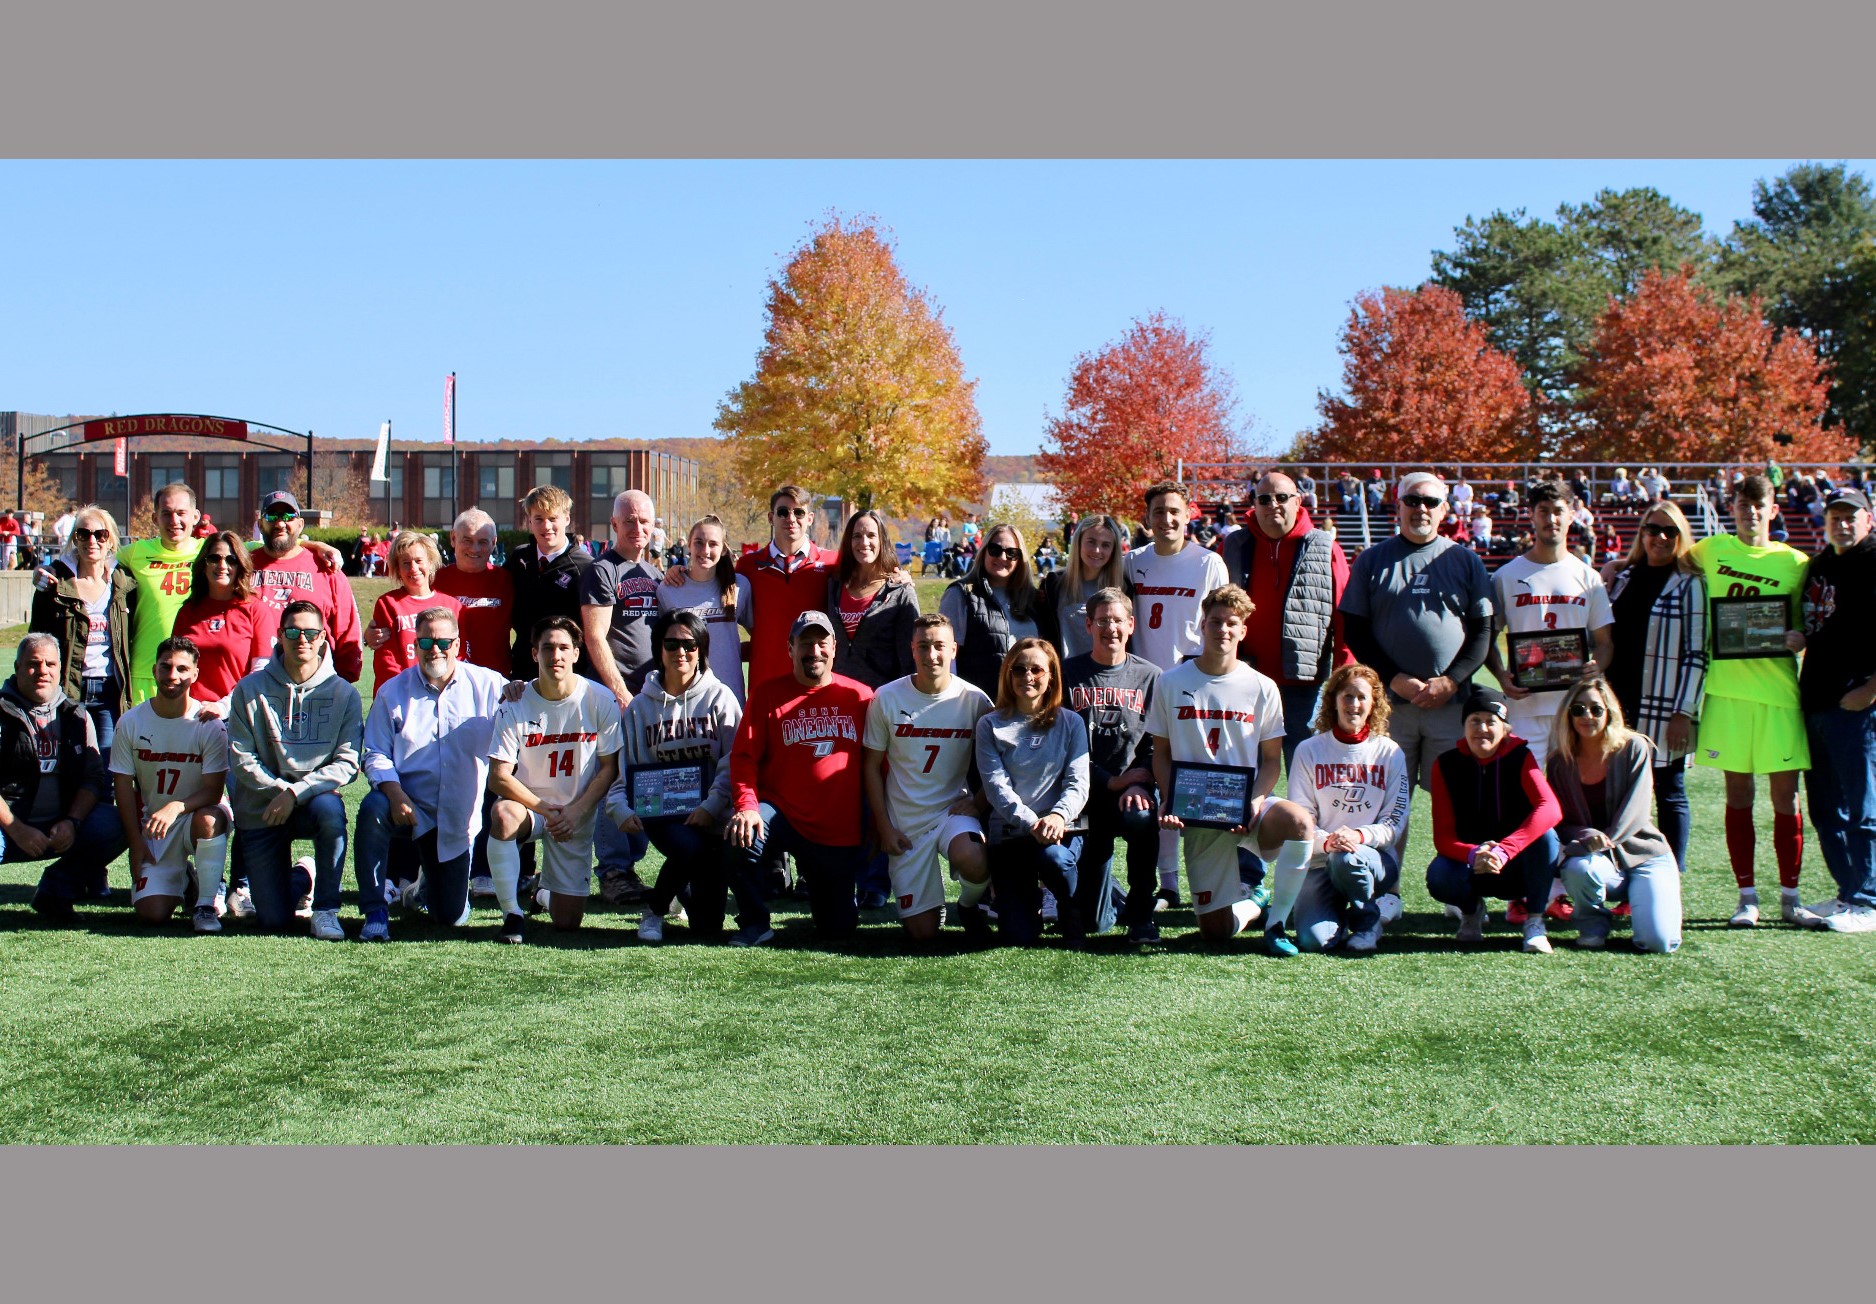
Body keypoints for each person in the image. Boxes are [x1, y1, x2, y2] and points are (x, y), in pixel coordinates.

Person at [1339, 471, 1494, 922]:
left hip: (1452, 707)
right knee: (1387, 804)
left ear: (1445, 509)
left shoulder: (1465, 560)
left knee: (1462, 804)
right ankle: (1386, 892)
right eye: (1412, 499)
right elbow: (1356, 629)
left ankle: (1464, 894)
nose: (1421, 508)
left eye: (1431, 501)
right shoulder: (1373, 560)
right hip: (1393, 707)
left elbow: (1483, 630)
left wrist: (1452, 680)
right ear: (1397, 504)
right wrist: (1394, 677)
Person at [1148, 585, 1317, 954]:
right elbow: (1160, 752)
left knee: (1300, 823)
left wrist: (1256, 800)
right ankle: (1256, 902)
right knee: (1215, 933)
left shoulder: (1262, 686)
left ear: (1243, 630)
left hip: (1248, 808)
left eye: (1231, 623)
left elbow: (1271, 759)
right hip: (1198, 814)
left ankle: (1277, 926)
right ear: (1201, 625)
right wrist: (1169, 798)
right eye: (1215, 622)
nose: (1222, 629)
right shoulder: (1171, 681)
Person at [1687, 474, 1813, 927]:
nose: (1751, 512)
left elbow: (1817, 617)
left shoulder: (1797, 561)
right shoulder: (1711, 550)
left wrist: (1804, 636)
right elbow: (1664, 559)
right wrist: (1614, 565)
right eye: (1743, 504)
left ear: (1774, 510)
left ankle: (1791, 897)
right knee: (1737, 794)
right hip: (1726, 692)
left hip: (1778, 693)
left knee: (1786, 797)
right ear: (1733, 508)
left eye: (1759, 505)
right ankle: (1747, 897)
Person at [355, 606, 510, 942]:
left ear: (457, 644)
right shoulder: (393, 691)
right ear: (415, 644)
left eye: (443, 641)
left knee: (451, 917)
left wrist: (522, 694)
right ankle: (375, 912)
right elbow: (375, 752)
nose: (434, 649)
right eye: (426, 641)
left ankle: (423, 887)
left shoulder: (489, 685)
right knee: (372, 810)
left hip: (456, 818)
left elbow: (525, 712)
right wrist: (395, 795)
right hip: (405, 803)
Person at [726, 610, 875, 946]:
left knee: (837, 929)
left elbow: (878, 764)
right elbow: (743, 757)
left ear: (834, 647)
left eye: (821, 642)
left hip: (835, 828)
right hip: (780, 814)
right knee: (740, 836)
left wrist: (877, 821)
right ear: (790, 648)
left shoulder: (862, 697)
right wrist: (747, 806)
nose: (815, 651)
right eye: (805, 643)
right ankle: (754, 922)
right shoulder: (766, 695)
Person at [223, 600, 363, 938]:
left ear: (322, 639)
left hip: (312, 801)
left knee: (331, 809)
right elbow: (241, 758)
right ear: (279, 637)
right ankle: (303, 876)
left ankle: (326, 910)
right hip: (263, 806)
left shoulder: (344, 694)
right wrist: (279, 791)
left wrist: (296, 793)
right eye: (293, 631)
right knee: (273, 921)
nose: (302, 639)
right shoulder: (248, 690)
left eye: (310, 632)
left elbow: (347, 763)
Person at [604, 609, 743, 943]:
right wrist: (619, 808)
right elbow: (628, 766)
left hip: (714, 812)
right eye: (672, 644)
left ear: (701, 650)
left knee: (708, 928)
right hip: (663, 813)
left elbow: (734, 761)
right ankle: (655, 908)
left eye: (690, 644)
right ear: (659, 649)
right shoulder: (640, 707)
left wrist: (712, 805)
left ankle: (681, 891)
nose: (681, 652)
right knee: (691, 849)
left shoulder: (720, 697)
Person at [485, 616, 624, 943]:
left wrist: (575, 812)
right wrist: (545, 809)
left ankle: (543, 893)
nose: (555, 655)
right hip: (531, 809)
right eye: (547, 648)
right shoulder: (516, 702)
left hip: (576, 814)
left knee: (567, 923)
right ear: (534, 654)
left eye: (564, 648)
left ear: (577, 653)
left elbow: (609, 768)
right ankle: (511, 914)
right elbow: (498, 777)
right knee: (503, 815)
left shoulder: (600, 699)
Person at [1126, 481, 1231, 907]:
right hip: (1137, 688)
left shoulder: (1208, 564)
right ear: (1147, 518)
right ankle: (1165, 882)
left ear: (1189, 515)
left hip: (1189, 685)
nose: (1166, 520)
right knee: (1155, 783)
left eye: (1174, 511)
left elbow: (1221, 624)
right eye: (1158, 512)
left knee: (1190, 784)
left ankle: (1212, 880)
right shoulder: (1132, 562)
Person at [862, 613, 994, 942]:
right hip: (905, 824)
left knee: (974, 858)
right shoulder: (887, 698)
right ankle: (932, 905)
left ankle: (969, 903)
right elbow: (870, 766)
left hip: (952, 812)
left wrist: (977, 803)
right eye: (923, 646)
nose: (931, 654)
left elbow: (1000, 762)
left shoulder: (975, 700)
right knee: (923, 935)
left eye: (939, 646)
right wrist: (884, 826)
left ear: (953, 650)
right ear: (912, 649)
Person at [1221, 470, 1353, 770]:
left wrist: (1344, 674)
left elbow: (1343, 615)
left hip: (1303, 682)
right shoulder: (1233, 545)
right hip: (1245, 679)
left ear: (1298, 501)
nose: (1273, 505)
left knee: (1306, 773)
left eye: (1282, 497)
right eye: (1264, 499)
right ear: (1254, 504)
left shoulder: (1326, 547)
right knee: (1242, 774)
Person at [1599, 500, 1705, 873]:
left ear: (1680, 537)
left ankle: (1668, 877)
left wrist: (1683, 713)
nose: (1659, 537)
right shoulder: (1622, 578)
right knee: (1616, 793)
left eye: (1669, 531)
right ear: (1641, 533)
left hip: (1663, 707)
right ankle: (1619, 873)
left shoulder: (1691, 584)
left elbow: (1697, 654)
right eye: (1652, 529)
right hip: (1615, 706)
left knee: (1669, 792)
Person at [1484, 480, 1615, 772]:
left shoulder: (1588, 577)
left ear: (1571, 515)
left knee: (1576, 795)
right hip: (1526, 706)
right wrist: (1501, 676)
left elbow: (1605, 643)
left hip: (1576, 707)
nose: (1551, 519)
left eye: (1558, 511)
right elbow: (1487, 638)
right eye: (1543, 511)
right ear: (1532, 515)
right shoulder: (1506, 576)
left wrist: (1598, 667)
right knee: (1528, 793)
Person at [1546, 677, 1683, 954]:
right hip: (1595, 861)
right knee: (1577, 868)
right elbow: (1561, 820)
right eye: (1578, 709)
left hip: (1644, 856)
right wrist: (1586, 836)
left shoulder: (1635, 747)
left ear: (1609, 712)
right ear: (1567, 715)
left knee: (1659, 942)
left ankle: (1644, 899)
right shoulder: (1560, 761)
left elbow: (1637, 810)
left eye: (1596, 709)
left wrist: (1607, 839)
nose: (1587, 715)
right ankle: (1592, 924)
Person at [1425, 685, 1564, 954]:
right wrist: (1474, 853)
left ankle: (1535, 922)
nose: (1482, 729)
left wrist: (1505, 850)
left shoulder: (1520, 756)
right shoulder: (1445, 764)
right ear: (1463, 726)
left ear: (1505, 729)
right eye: (1474, 721)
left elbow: (1550, 808)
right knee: (1440, 876)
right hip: (1473, 865)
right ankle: (1471, 911)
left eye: (1491, 722)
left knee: (1547, 838)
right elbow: (1443, 839)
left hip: (1515, 863)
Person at [1793, 488, 1876, 932]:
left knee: (1863, 805)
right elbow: (1816, 622)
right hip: (1817, 697)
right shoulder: (1821, 564)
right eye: (1835, 516)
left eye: (1851, 516)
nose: (1842, 523)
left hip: (1856, 701)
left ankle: (1869, 898)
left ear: (1868, 517)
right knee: (1826, 808)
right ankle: (1848, 892)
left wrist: (1872, 689)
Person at [1286, 663, 1411, 954]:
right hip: (1321, 859)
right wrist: (1328, 841)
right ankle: (1337, 916)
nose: (1353, 704)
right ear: (1333, 700)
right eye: (1347, 696)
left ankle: (1367, 923)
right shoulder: (1309, 750)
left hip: (1373, 860)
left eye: (1361, 697)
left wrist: (1357, 836)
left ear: (1373, 705)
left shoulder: (1389, 752)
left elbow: (1394, 822)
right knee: (1313, 941)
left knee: (1347, 860)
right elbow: (1300, 818)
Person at [109, 637, 231, 931]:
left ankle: (205, 906)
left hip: (196, 815)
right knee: (151, 914)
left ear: (195, 674)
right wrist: (136, 843)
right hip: (155, 825)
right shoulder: (131, 722)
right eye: (166, 667)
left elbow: (214, 792)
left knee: (209, 818)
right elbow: (123, 789)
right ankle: (187, 879)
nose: (173, 676)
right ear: (154, 670)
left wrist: (176, 807)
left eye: (182, 668)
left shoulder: (208, 723)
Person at [3, 634, 126, 925]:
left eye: (50, 664)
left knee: (118, 823)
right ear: (18, 667)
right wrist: (17, 829)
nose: (42, 670)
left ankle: (55, 893)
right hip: (8, 826)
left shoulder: (76, 715)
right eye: (33, 664)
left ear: (60, 669)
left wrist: (72, 821)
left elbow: (93, 778)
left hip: (59, 824)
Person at [975, 637, 1090, 947]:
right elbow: (997, 788)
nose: (1028, 676)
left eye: (1037, 669)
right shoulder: (989, 725)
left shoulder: (1072, 723)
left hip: (1059, 834)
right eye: (1019, 669)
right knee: (1018, 935)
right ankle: (1032, 901)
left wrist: (1057, 815)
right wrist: (1032, 823)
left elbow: (1078, 783)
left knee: (1054, 859)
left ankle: (1069, 907)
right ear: (1007, 675)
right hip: (1011, 836)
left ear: (1051, 675)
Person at [1062, 587, 1161, 943]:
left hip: (1130, 793)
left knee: (1142, 817)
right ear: (1089, 625)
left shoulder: (1152, 677)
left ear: (1131, 625)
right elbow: (1061, 747)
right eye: (1102, 621)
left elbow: (1157, 744)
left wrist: (1137, 782)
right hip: (1083, 793)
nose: (1111, 628)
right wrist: (1108, 781)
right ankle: (1108, 897)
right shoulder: (1067, 673)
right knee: (1092, 922)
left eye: (1118, 620)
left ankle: (1141, 913)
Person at [579, 489, 662, 904]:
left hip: (651, 695)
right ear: (614, 524)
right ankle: (613, 869)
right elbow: (595, 636)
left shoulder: (655, 571)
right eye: (629, 520)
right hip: (616, 696)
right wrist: (620, 691)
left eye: (644, 520)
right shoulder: (602, 571)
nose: (637, 527)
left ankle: (630, 865)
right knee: (611, 777)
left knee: (641, 778)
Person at [30, 504, 136, 755]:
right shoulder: (55, 583)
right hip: (68, 689)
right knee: (71, 762)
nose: (92, 540)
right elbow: (35, 639)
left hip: (110, 690)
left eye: (100, 535)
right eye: (83, 534)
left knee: (106, 763)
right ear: (74, 539)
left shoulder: (125, 584)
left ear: (110, 539)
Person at [248, 490, 364, 684]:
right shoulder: (243, 566)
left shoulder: (326, 567)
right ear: (261, 524)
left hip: (314, 684)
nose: (280, 523)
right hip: (254, 681)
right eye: (272, 516)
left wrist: (344, 678)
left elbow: (347, 626)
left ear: (300, 524)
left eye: (288, 516)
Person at [657, 514, 753, 705]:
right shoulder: (668, 589)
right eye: (699, 543)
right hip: (684, 698)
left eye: (713, 544)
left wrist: (731, 651)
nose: (705, 550)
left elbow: (758, 636)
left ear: (724, 549)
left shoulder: (739, 586)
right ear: (689, 546)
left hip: (730, 695)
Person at [940, 521, 1042, 698]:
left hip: (1027, 704)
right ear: (984, 551)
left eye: (1011, 553)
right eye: (995, 549)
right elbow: (947, 657)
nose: (1003, 557)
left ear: (1020, 559)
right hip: (977, 704)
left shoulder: (1035, 599)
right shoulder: (961, 594)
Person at [505, 485, 592, 682]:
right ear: (530, 522)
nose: (546, 526)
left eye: (553, 519)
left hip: (567, 674)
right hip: (522, 672)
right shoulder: (519, 559)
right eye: (539, 519)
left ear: (567, 519)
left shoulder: (584, 567)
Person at [828, 508, 919, 691]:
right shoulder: (833, 586)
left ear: (882, 541)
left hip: (881, 700)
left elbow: (910, 656)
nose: (864, 542)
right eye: (857, 536)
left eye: (871, 535)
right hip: (837, 701)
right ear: (849, 541)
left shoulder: (899, 592)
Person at [364, 530, 463, 688]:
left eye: (419, 561)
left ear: (430, 563)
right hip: (401, 693)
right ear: (397, 568)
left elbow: (458, 656)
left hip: (443, 692)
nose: (413, 568)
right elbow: (387, 662)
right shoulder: (388, 603)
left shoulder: (452, 606)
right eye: (406, 563)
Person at [434, 508, 517, 674]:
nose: (475, 549)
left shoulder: (508, 581)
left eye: (483, 542)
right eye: (467, 540)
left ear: (494, 543)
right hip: (445, 681)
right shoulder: (434, 581)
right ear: (453, 538)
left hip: (495, 684)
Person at [1038, 514, 1130, 662]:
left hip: (1107, 680)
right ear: (1078, 542)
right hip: (1063, 677)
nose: (1097, 550)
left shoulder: (1124, 588)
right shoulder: (1053, 585)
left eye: (1105, 545)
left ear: (1114, 550)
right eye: (1091, 542)